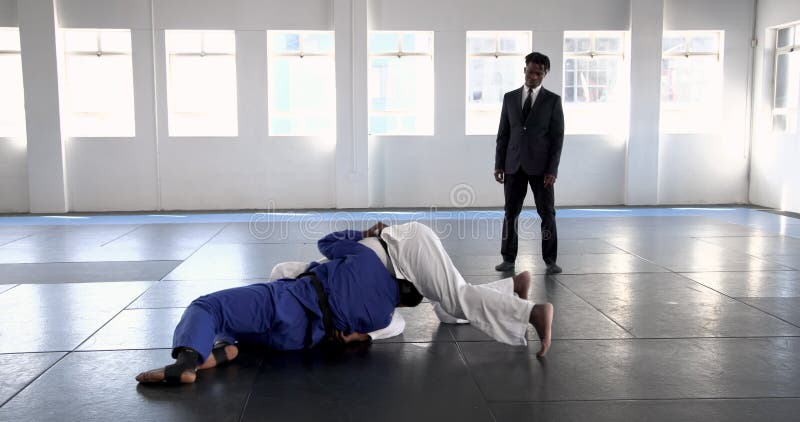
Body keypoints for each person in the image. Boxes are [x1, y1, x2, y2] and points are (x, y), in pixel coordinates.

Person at [135, 224, 422, 385]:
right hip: (299, 340)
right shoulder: (384, 317)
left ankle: (185, 363)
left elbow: (326, 242)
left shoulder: (367, 258)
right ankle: (224, 350)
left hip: (284, 302)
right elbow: (355, 336)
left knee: (208, 308)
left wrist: (365, 234)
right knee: (236, 327)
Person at [377, 222, 554, 357]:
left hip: (406, 249)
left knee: (456, 299)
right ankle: (515, 285)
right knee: (448, 313)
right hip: (404, 255)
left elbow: (392, 323)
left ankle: (534, 312)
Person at [494, 52, 565, 275]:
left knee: (547, 214)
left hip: (541, 169)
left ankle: (550, 259)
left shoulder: (553, 101)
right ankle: (507, 258)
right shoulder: (510, 98)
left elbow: (557, 138)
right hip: (513, 165)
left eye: (538, 73)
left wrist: (552, 169)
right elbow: (503, 134)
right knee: (510, 213)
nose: (533, 76)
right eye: (530, 71)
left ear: (545, 74)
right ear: (524, 70)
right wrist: (499, 164)